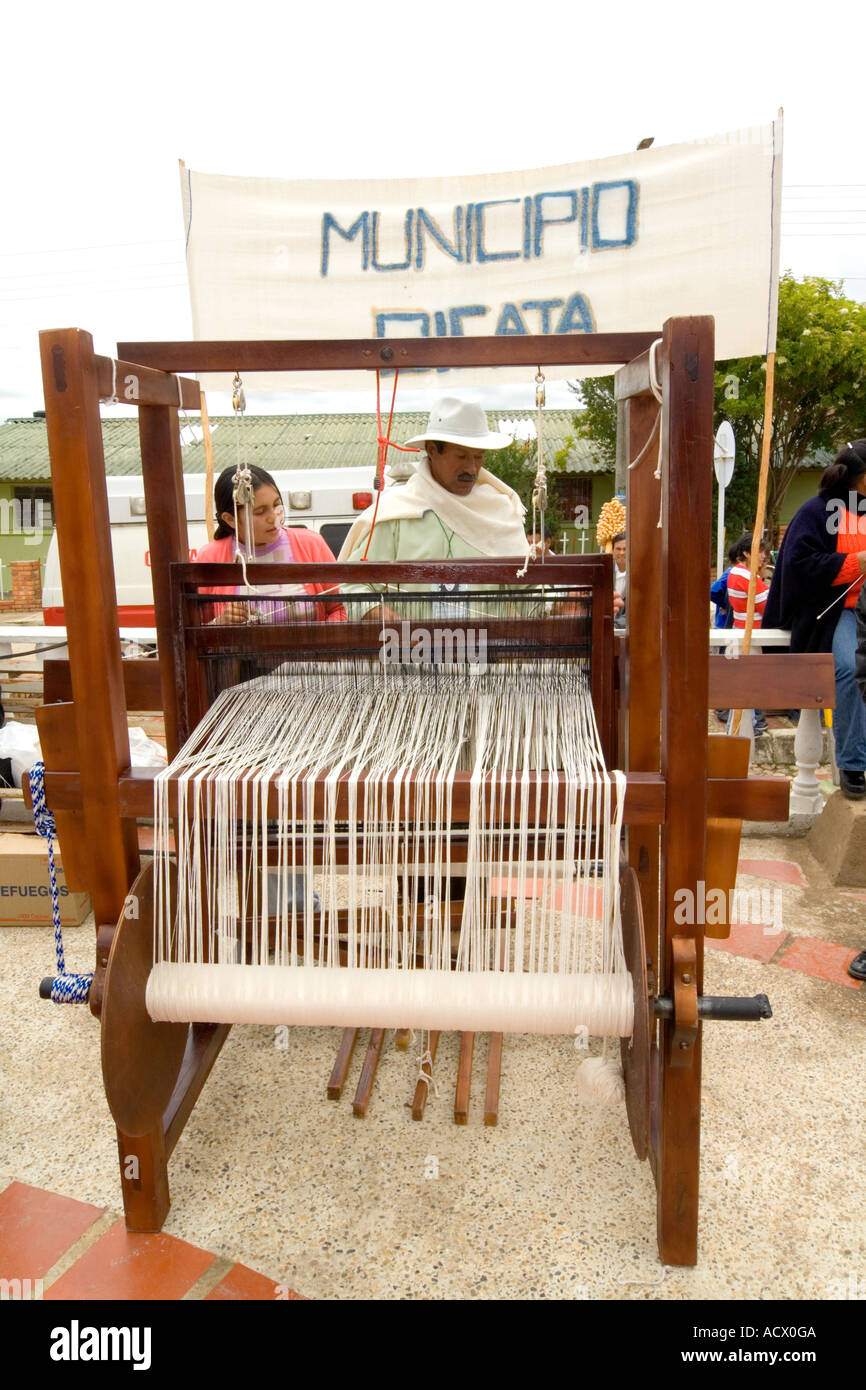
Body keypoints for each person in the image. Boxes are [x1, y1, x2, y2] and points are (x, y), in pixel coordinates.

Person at [338, 396, 528, 612]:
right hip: (414, 644)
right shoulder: (395, 515)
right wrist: (394, 625)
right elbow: (354, 585)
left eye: (478, 457)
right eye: (461, 456)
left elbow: (532, 587)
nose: (472, 469)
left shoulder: (499, 515)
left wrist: (560, 604)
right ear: (432, 450)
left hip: (487, 644)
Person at [764, 440, 866, 799]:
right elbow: (799, 569)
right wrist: (856, 563)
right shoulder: (817, 512)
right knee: (852, 667)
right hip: (840, 612)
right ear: (862, 479)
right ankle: (854, 764)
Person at [197, 465, 345, 623]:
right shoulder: (209, 557)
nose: (274, 517)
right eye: (260, 512)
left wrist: (319, 640)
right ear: (230, 519)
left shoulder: (311, 544)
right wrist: (220, 623)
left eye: (276, 505)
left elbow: (340, 608)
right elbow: (194, 627)